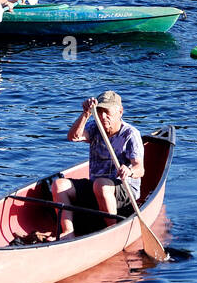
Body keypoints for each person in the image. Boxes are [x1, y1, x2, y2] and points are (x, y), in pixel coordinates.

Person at [50, 91, 144, 239]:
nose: (103, 117)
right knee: (59, 185)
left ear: (120, 111)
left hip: (124, 189)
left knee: (101, 185)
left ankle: (112, 231)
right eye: (99, 112)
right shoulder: (95, 128)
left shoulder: (130, 134)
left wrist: (129, 170)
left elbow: (140, 169)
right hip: (96, 187)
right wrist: (86, 114)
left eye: (107, 112)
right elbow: (73, 137)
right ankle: (68, 232)